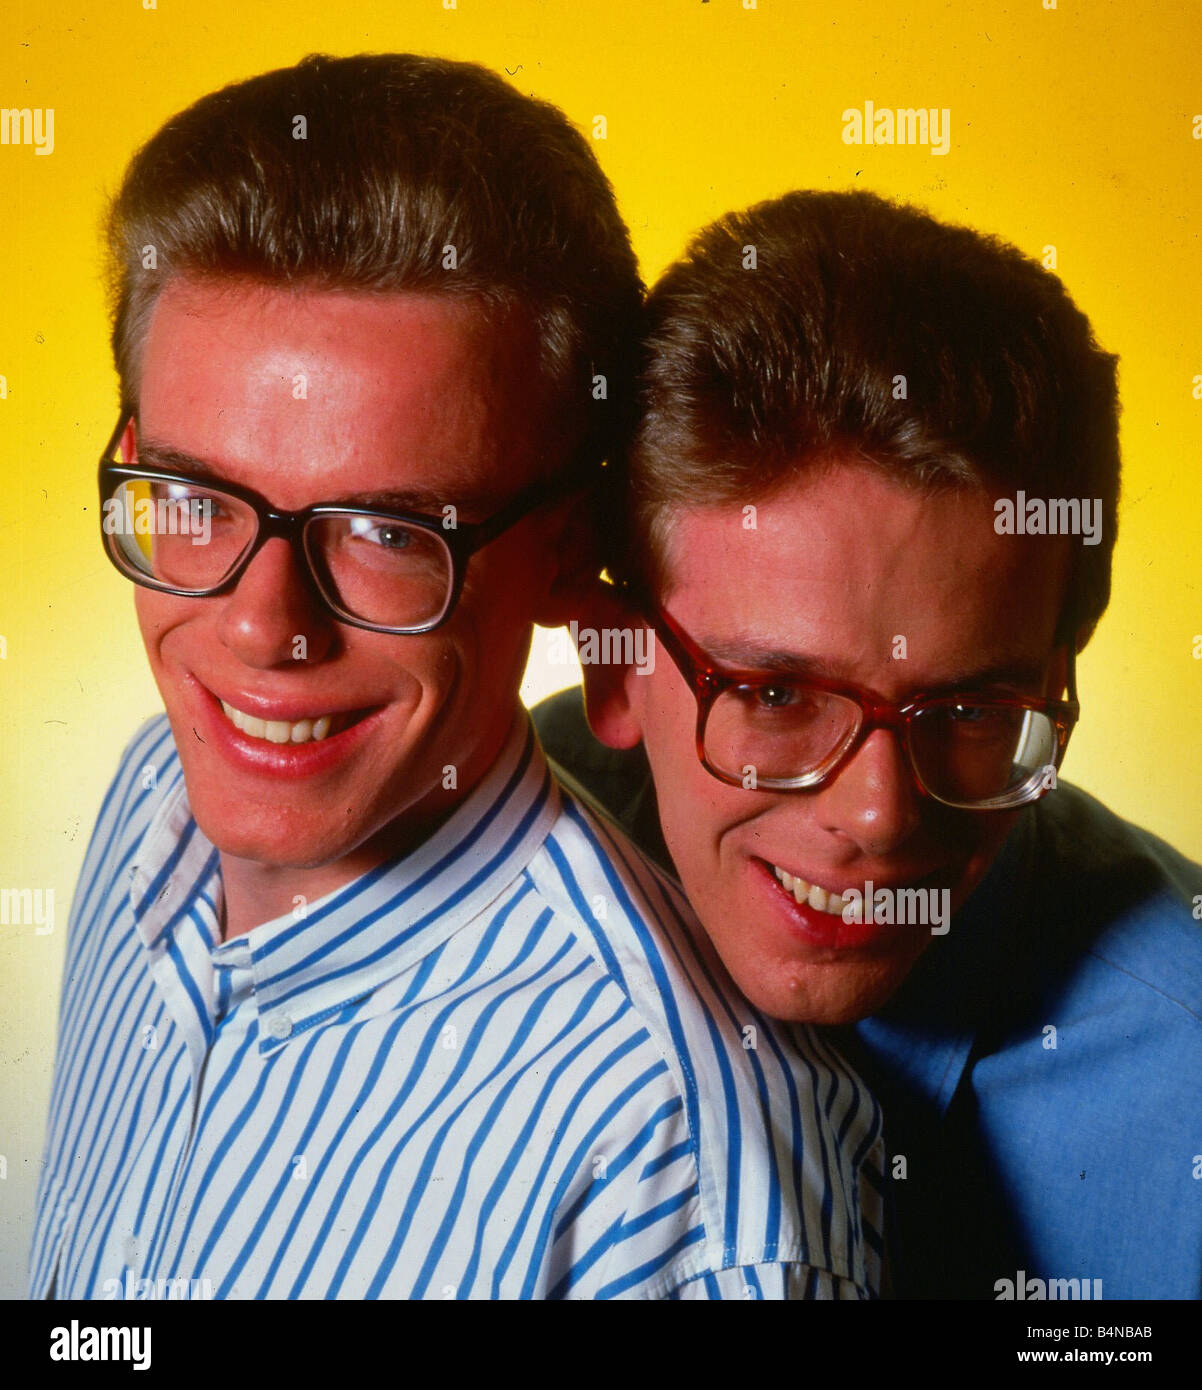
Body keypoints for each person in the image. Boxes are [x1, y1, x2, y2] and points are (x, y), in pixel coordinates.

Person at [29, 60, 884, 1302]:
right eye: (196, 497)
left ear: (566, 549)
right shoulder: (150, 793)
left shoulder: (681, 1171)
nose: (261, 629)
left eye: (385, 534)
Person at [535, 190, 1202, 1300]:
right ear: (612, 664)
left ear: (1058, 684)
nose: (879, 815)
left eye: (971, 712)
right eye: (777, 692)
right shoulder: (494, 848)